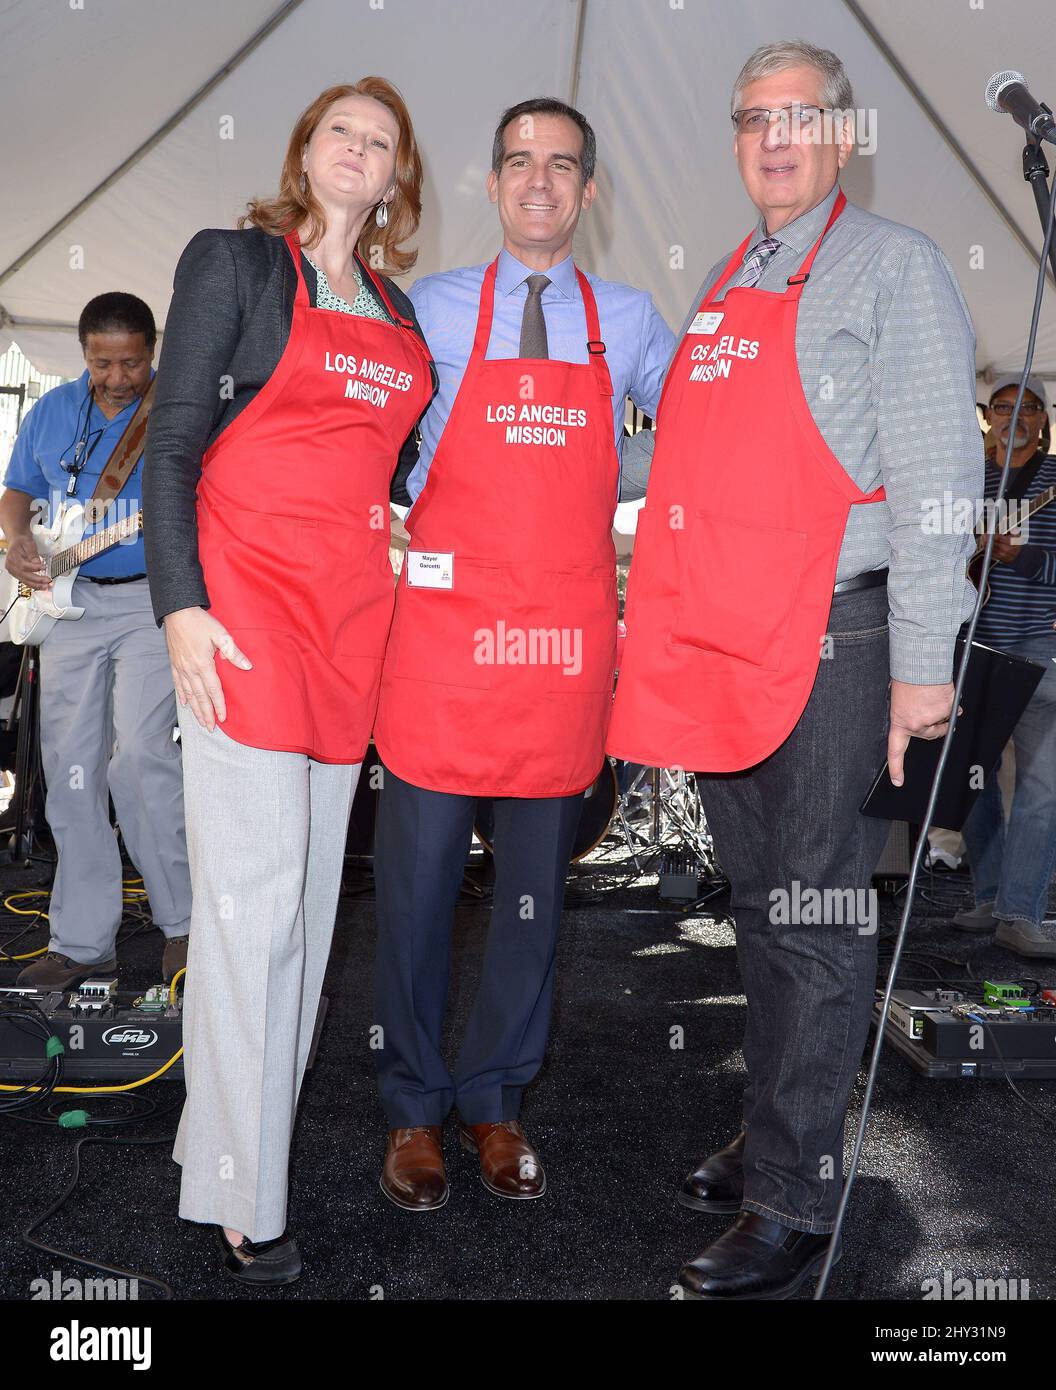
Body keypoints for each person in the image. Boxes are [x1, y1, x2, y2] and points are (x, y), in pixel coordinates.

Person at [607, 39, 983, 1299]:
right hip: (727, 644)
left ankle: (797, 1195)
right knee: (759, 913)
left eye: (801, 116)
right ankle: (780, 1126)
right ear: (735, 142)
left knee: (817, 916)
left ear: (845, 134)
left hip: (839, 638)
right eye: (753, 117)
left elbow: (941, 483)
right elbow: (688, 472)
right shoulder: (727, 276)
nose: (776, 137)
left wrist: (926, 668)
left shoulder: (897, 267)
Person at [142, 79, 435, 1286]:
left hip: (352, 633)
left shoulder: (400, 308)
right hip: (246, 623)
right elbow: (170, 445)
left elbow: (387, 475)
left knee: (304, 920)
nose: (357, 152)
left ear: (398, 174)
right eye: (339, 133)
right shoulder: (238, 264)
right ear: (304, 152)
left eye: (381, 141)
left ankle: (218, 1145)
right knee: (251, 913)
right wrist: (181, 610)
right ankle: (241, 1196)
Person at [370, 97, 674, 1212]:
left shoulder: (631, 319)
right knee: (415, 887)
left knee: (534, 890)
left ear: (589, 192)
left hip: (560, 644)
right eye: (517, 163)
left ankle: (498, 1099)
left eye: (561, 166)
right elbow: (364, 436)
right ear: (490, 185)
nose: (538, 181)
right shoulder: (427, 307)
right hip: (444, 639)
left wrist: (615, 479)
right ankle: (412, 1107)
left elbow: (692, 437)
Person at [1, 294, 191, 990]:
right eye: (102, 362)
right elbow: (17, 489)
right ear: (84, 354)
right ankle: (82, 941)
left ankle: (185, 925)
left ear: (153, 352)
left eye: (132, 361)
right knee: (71, 770)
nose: (117, 376)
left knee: (140, 760)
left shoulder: (179, 407)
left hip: (149, 600)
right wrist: (16, 540)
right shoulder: (52, 410)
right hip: (69, 606)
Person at [951, 374, 1056, 957]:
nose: (1017, 414)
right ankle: (991, 893)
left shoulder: (1055, 480)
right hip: (970, 648)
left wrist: (1024, 556)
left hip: (1041, 652)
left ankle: (1020, 912)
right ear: (987, 416)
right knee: (972, 777)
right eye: (1004, 405)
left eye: (1031, 407)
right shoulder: (966, 481)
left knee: (1043, 786)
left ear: (1044, 421)